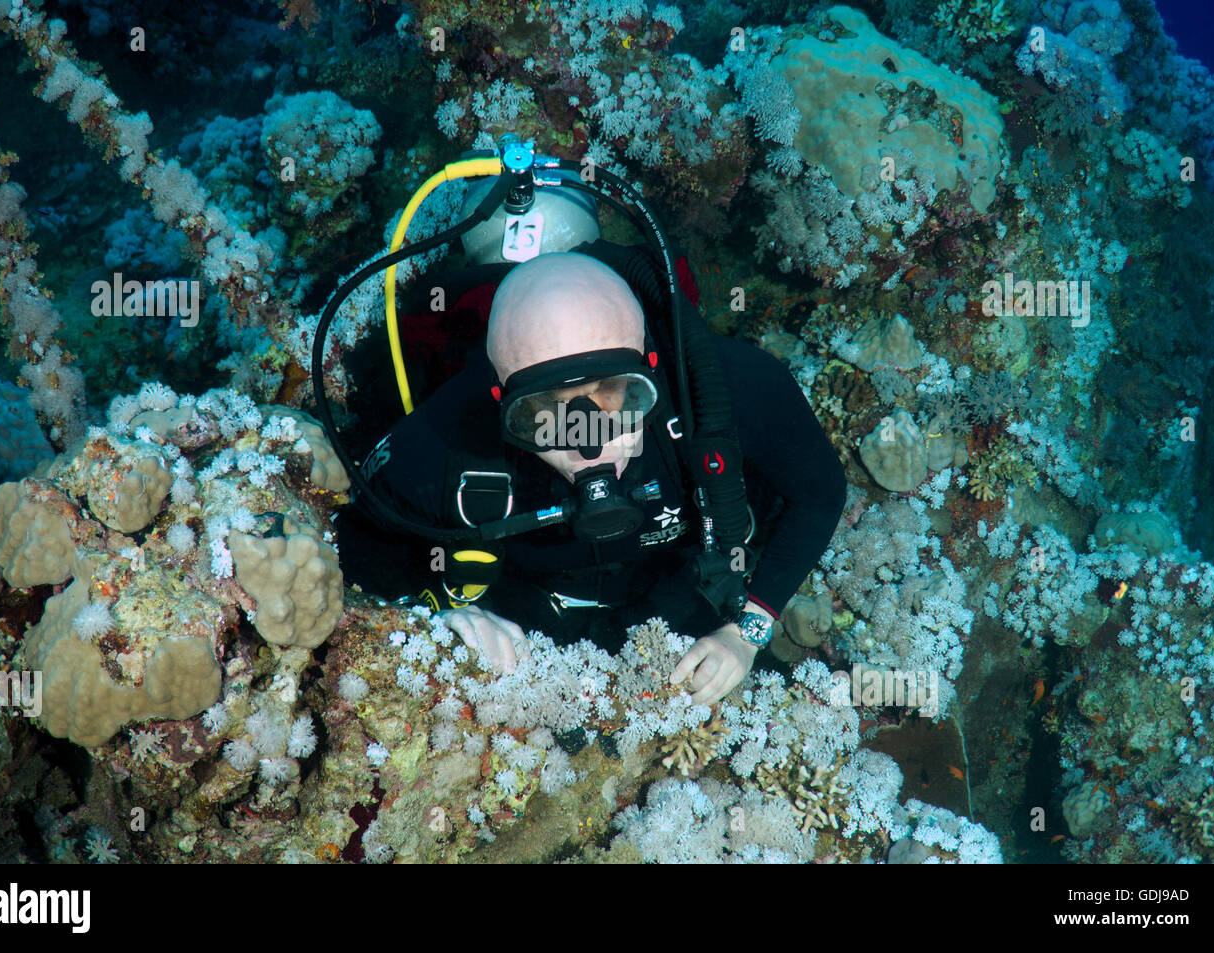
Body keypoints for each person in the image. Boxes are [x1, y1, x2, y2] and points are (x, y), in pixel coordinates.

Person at [341, 248, 846, 705]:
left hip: (688, 592)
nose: (589, 444)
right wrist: (434, 617)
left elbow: (819, 494)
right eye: (544, 414)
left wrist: (748, 628)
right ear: (499, 400)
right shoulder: (442, 439)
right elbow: (358, 546)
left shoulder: (730, 387)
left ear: (652, 364)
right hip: (526, 614)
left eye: (615, 394)